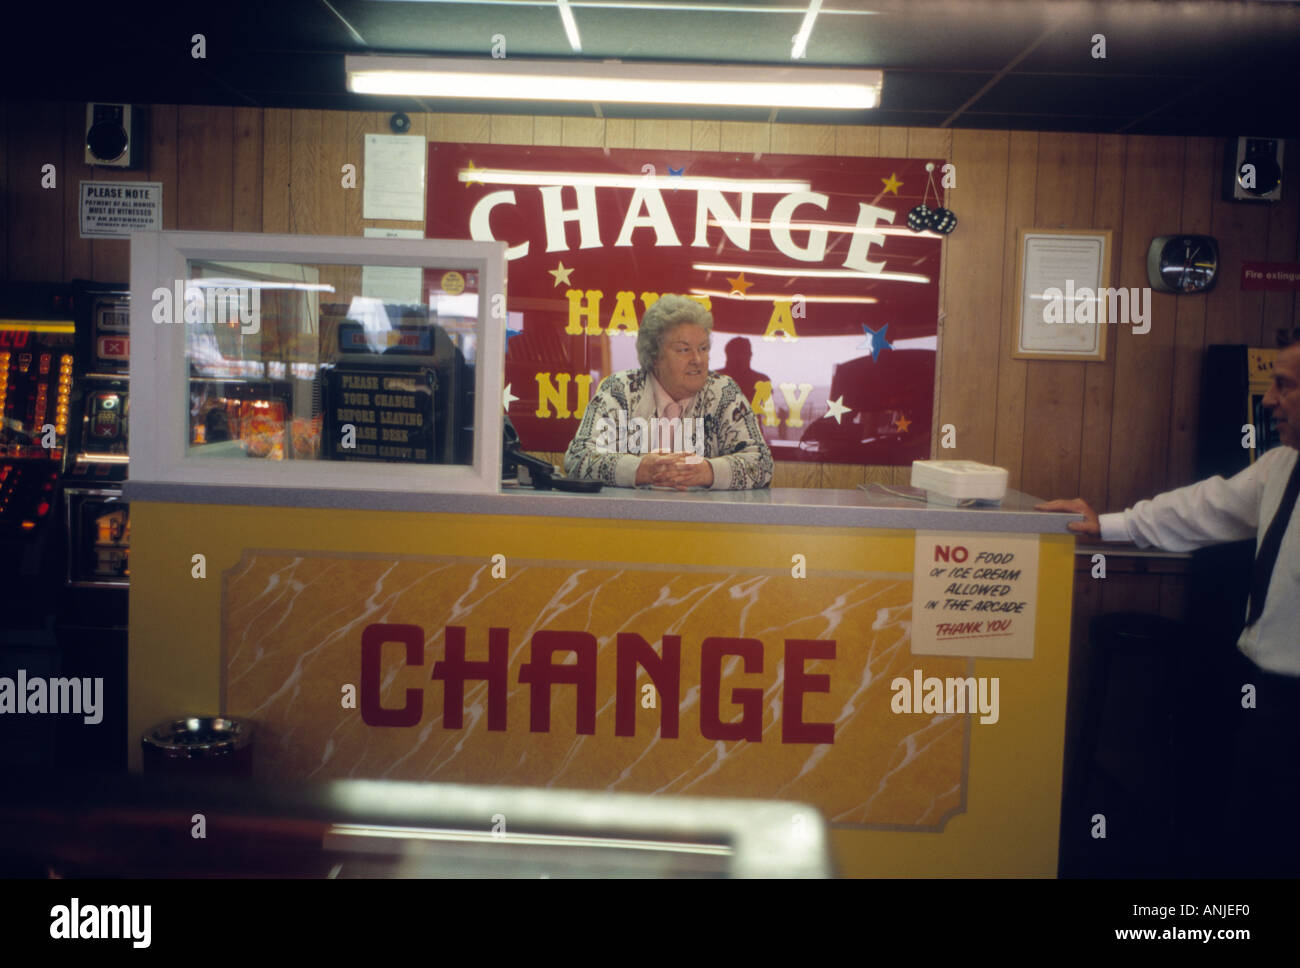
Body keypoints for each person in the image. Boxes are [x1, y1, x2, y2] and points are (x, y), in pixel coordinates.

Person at [1037, 340, 1300, 875]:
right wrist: (1107, 523)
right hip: (1268, 700)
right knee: (1256, 845)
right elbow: (1204, 509)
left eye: (1286, 385)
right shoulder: (1280, 467)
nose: (1270, 400)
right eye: (1272, 383)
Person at [563, 294, 773, 490]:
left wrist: (707, 471)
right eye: (684, 349)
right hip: (627, 522)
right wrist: (640, 469)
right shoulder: (620, 390)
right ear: (654, 355)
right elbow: (578, 458)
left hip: (706, 525)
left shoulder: (724, 393)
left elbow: (762, 463)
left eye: (703, 348)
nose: (697, 360)